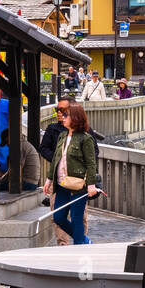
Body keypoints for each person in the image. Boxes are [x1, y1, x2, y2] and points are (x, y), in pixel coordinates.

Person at [44, 103, 100, 246]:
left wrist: (91, 185)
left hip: (78, 186)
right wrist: (49, 180)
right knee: (58, 217)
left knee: (77, 219)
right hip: (62, 185)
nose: (62, 117)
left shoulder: (85, 138)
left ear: (75, 118)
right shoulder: (62, 136)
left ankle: (80, 245)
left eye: (66, 115)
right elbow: (56, 158)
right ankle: (85, 241)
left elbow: (91, 163)